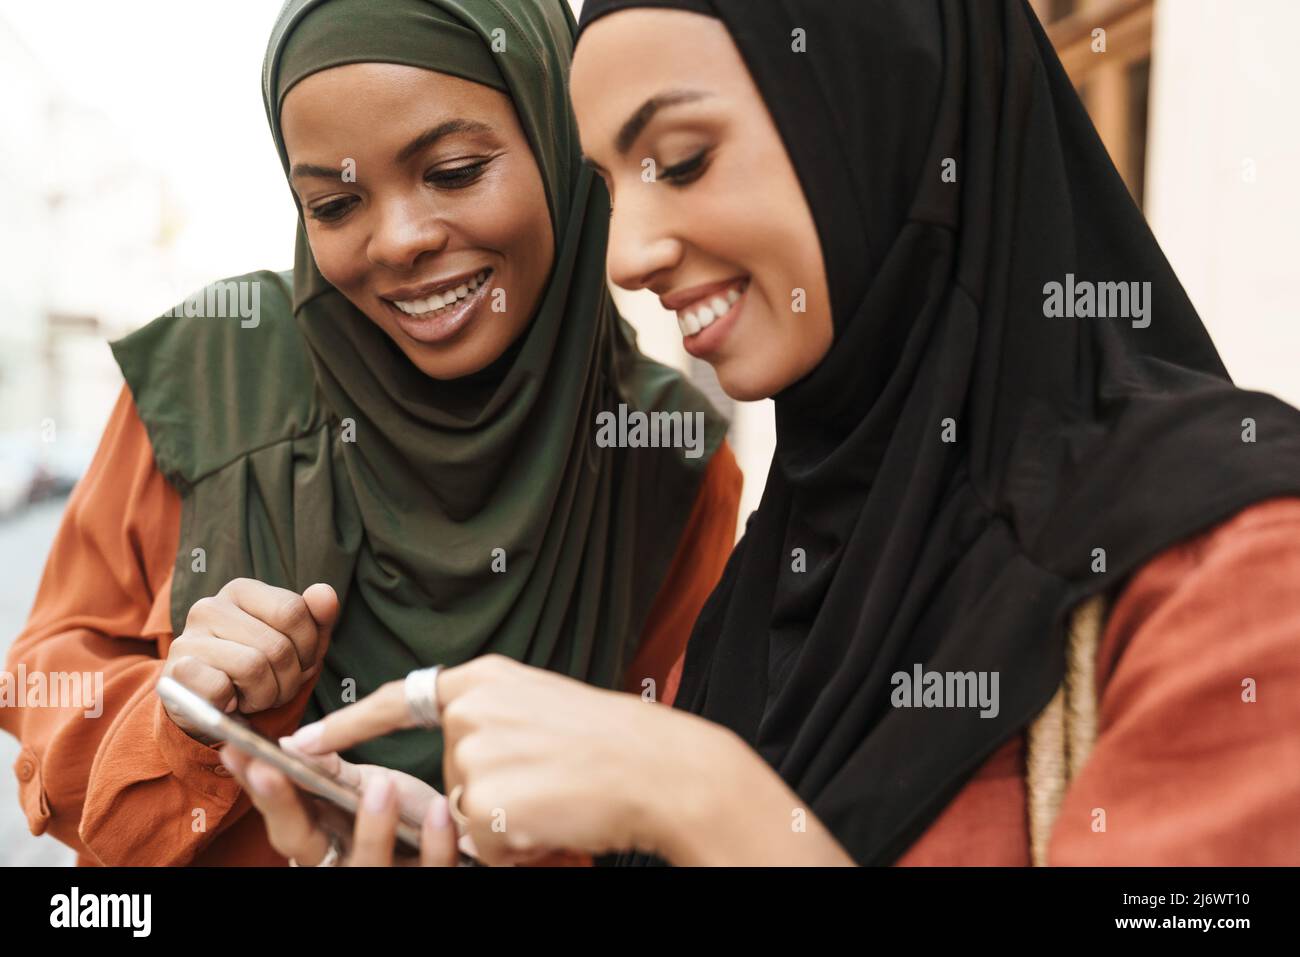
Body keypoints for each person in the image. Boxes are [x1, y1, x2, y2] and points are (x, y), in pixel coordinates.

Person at [230, 0, 1300, 867]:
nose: (629, 254)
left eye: (683, 159)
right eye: (608, 187)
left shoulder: (1231, 565)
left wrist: (707, 803)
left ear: (884, 112)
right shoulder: (775, 576)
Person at [0, 0, 743, 867]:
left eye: (455, 171)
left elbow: (674, 799)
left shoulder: (663, 454)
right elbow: (46, 674)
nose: (397, 241)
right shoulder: (214, 378)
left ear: (559, 144)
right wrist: (182, 717)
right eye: (337, 201)